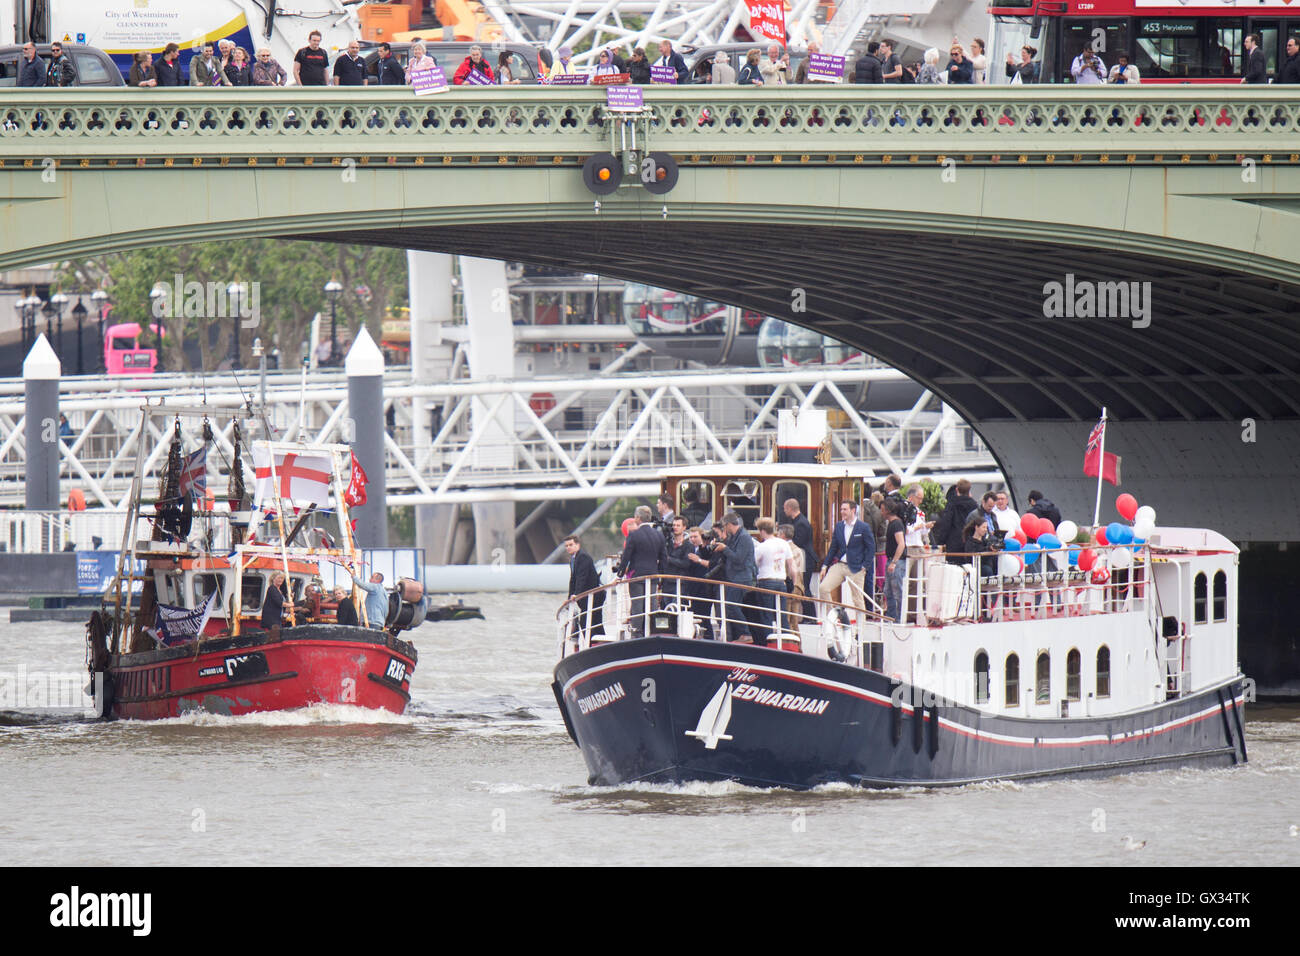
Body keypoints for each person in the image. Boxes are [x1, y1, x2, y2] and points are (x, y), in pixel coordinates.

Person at [616, 506, 666, 639]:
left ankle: (637, 633)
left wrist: (620, 575)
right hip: (653, 574)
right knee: (652, 603)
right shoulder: (659, 535)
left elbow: (626, 557)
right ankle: (653, 630)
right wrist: (661, 575)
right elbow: (663, 558)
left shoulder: (633, 535)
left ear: (638, 518)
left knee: (638, 604)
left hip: (637, 575)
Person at [819, 500, 874, 619]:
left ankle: (861, 629)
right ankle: (833, 618)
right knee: (823, 588)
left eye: (845, 509)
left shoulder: (863, 527)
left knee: (857, 598)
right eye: (841, 509)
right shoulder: (839, 526)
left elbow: (871, 548)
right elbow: (833, 547)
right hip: (840, 565)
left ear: (853, 510)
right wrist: (825, 565)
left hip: (857, 567)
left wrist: (865, 566)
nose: (842, 512)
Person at [714, 512, 757, 643]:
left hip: (742, 577)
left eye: (724, 526)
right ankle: (742, 634)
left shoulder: (744, 537)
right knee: (731, 606)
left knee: (731, 605)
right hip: (735, 577)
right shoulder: (736, 537)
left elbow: (739, 558)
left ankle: (746, 633)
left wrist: (725, 548)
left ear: (728, 524)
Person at [752, 517, 793, 646]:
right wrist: (793, 584)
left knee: (766, 615)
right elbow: (792, 567)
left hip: (766, 581)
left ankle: (769, 644)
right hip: (781, 582)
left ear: (762, 531)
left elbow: (755, 564)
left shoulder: (761, 547)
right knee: (782, 615)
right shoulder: (784, 544)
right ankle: (787, 643)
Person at [783, 498, 820, 618]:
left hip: (806, 559)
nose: (784, 511)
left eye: (785, 508)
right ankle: (808, 616)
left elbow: (799, 542)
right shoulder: (796, 521)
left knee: (804, 587)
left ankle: (811, 616)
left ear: (790, 508)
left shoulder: (801, 523)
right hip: (802, 558)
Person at [564, 534, 604, 644]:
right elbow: (573, 579)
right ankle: (596, 642)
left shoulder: (583, 557)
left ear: (578, 545)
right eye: (566, 546)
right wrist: (569, 597)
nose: (568, 547)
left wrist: (576, 594)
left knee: (587, 620)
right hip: (587, 595)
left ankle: (592, 643)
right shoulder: (573, 559)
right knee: (592, 620)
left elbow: (582, 577)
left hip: (594, 595)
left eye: (571, 545)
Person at [931, 478, 979, 564]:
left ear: (957, 489)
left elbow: (946, 524)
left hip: (953, 542)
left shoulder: (951, 504)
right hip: (969, 541)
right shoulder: (974, 505)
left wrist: (940, 542)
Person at [685, 526, 717, 639]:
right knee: (693, 615)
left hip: (704, 588)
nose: (693, 539)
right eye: (691, 537)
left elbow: (711, 563)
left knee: (704, 616)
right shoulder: (688, 549)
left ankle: (709, 638)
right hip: (692, 588)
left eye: (695, 537)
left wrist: (698, 558)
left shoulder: (707, 549)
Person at [882, 498, 907, 623]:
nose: (881, 512)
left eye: (882, 509)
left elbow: (901, 544)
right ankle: (892, 616)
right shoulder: (894, 523)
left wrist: (894, 562)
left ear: (887, 510)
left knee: (897, 590)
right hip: (893, 561)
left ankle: (899, 617)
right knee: (889, 590)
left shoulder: (896, 524)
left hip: (896, 562)